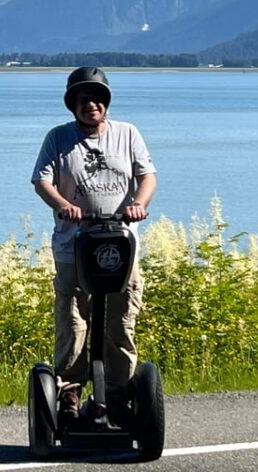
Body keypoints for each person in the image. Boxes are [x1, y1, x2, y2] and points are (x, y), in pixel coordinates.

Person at [31, 66, 157, 421]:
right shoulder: (58, 138)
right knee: (73, 324)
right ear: (73, 104)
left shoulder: (127, 134)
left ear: (107, 103)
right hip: (73, 247)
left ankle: (117, 395)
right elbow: (42, 181)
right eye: (84, 99)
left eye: (98, 99)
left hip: (121, 245)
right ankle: (69, 394)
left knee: (121, 323)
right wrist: (63, 205)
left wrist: (139, 205)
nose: (92, 105)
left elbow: (147, 176)